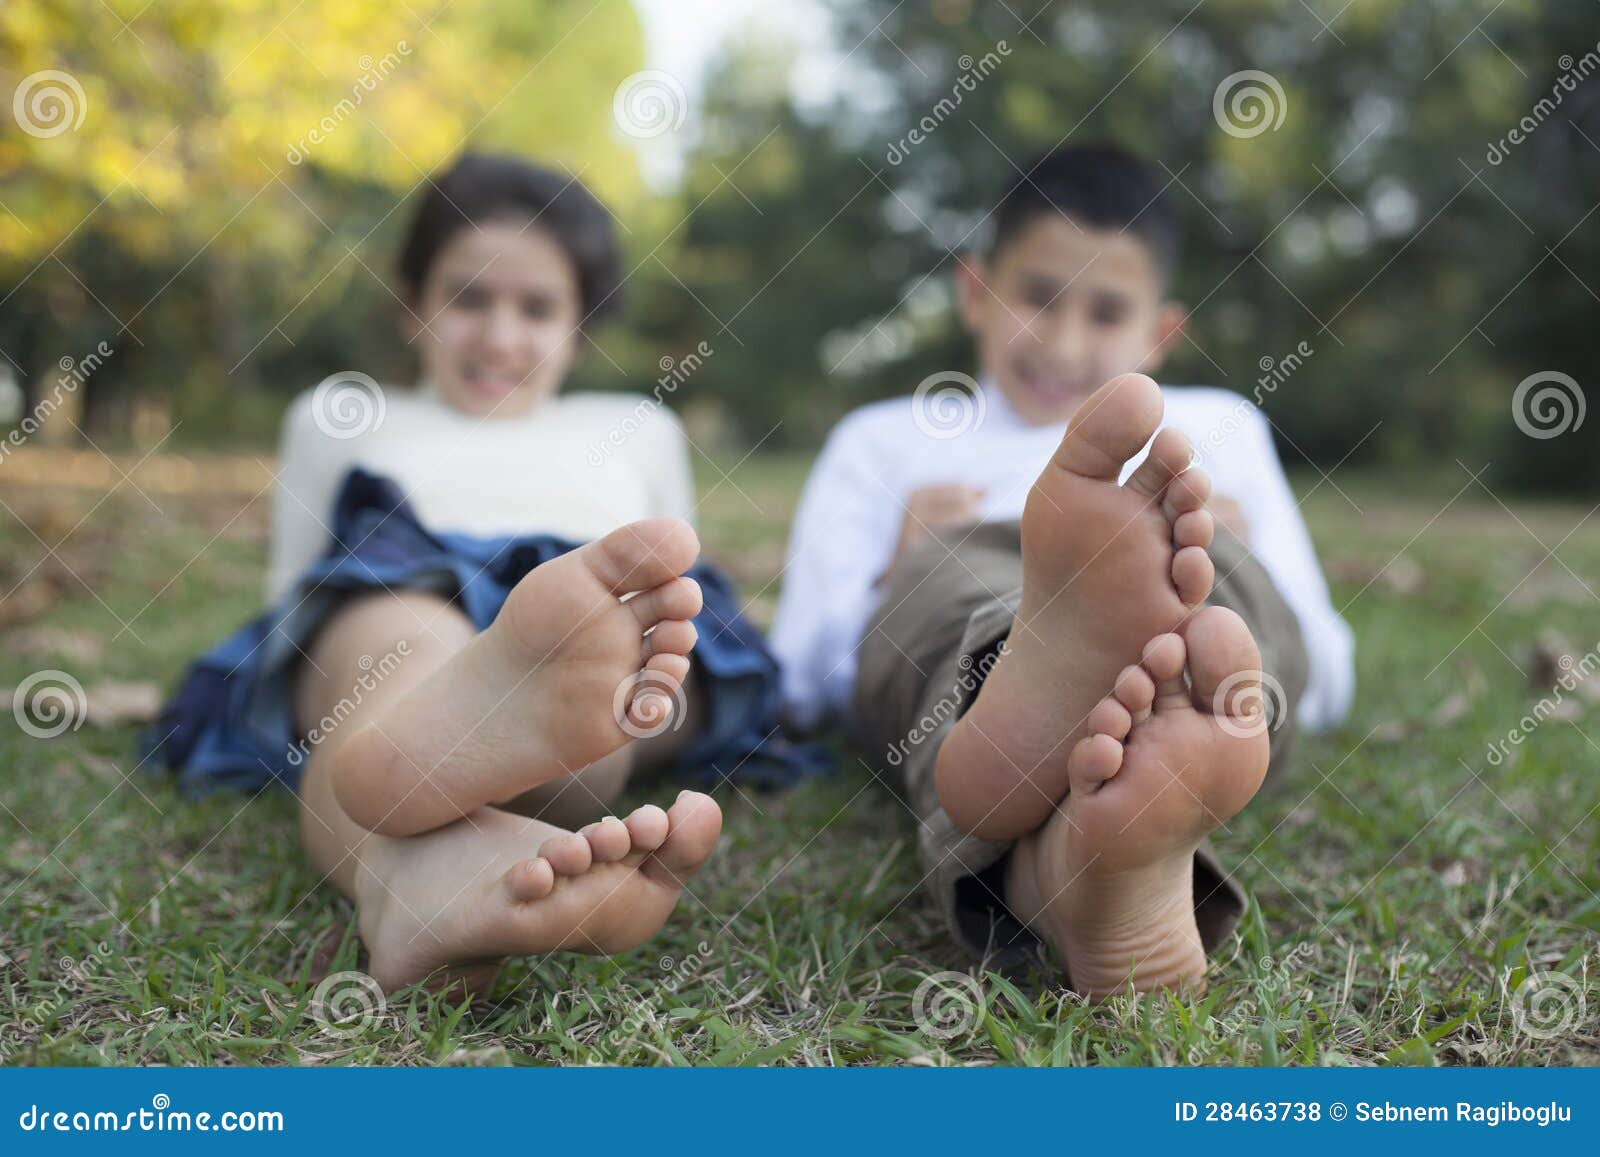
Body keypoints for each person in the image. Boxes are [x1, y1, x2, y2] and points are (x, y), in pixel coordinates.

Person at [144, 152, 819, 995]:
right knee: (393, 656)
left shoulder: (636, 424)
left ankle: (426, 862)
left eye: (537, 308)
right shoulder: (341, 412)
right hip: (406, 578)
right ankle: (473, 740)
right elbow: (295, 608)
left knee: (636, 656)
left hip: (594, 599)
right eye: (468, 298)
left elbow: (675, 572)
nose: (501, 336)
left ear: (580, 321)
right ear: (410, 305)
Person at [771, 142, 1355, 997]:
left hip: (1184, 611)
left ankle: (1065, 878)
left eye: (1107, 312)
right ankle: (1047, 687)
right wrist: (894, 566)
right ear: (976, 291)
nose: (1065, 341)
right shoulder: (884, 439)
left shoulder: (1220, 428)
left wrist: (1251, 550)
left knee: (1220, 608)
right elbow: (802, 678)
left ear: (1162, 332)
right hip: (975, 567)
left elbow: (1326, 667)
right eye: (1038, 297)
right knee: (963, 603)